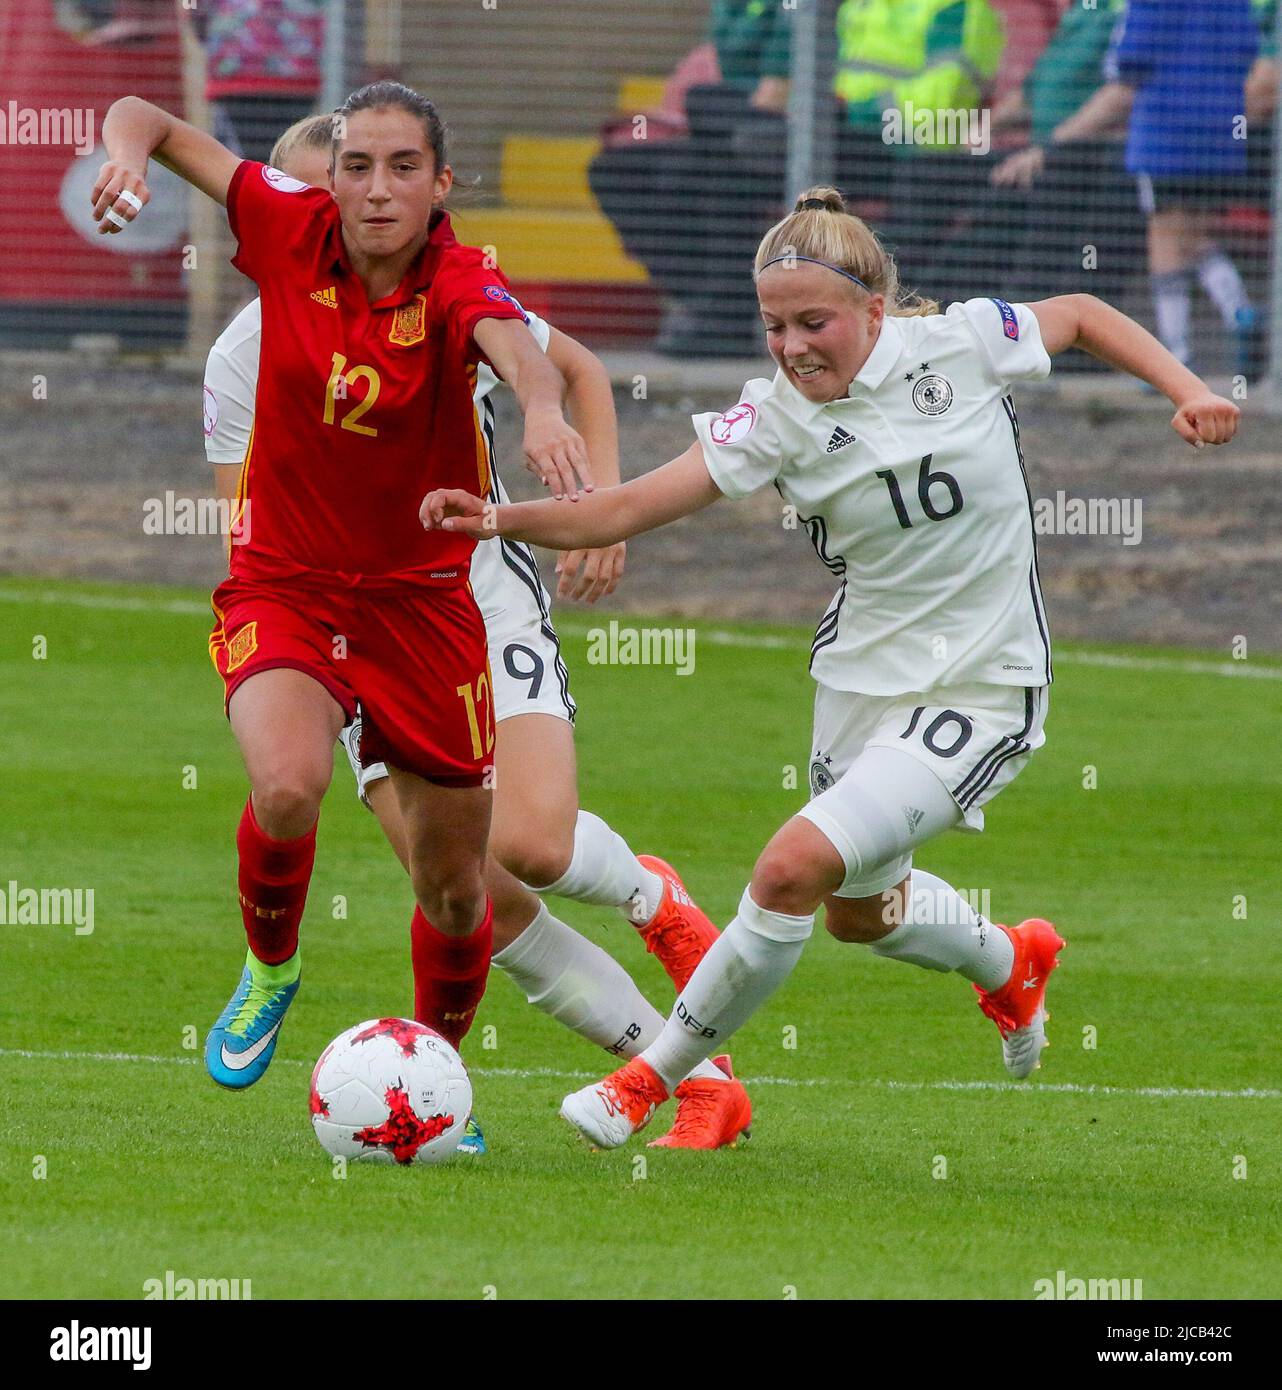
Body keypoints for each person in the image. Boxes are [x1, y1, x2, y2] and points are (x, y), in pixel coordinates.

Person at [421, 188, 1240, 1149]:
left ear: (876, 312)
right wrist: (499, 519)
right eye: (774, 327)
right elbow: (627, 507)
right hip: (858, 690)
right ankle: (1009, 960)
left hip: (981, 690)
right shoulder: (770, 418)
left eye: (815, 322)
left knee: (787, 870)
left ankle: (648, 1081)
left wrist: (1188, 389)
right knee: (862, 916)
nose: (794, 346)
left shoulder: (965, 344)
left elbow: (1086, 315)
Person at [202, 112, 753, 1151]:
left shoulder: (446, 281)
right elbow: (245, 512)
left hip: (469, 592)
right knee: (467, 895)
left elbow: (575, 370)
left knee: (533, 847)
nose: (353, 208)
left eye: (372, 180)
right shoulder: (243, 354)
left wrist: (592, 497)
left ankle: (646, 891)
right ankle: (689, 1075)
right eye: (323, 191)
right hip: (332, 613)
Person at [93, 81, 598, 1104]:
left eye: (401, 168)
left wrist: (544, 413)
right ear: (327, 180)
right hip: (288, 586)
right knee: (285, 784)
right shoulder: (287, 226)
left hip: (421, 609)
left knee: (456, 893)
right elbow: (146, 112)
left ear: (441, 184)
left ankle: (432, 1076)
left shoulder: (458, 281)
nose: (374, 190)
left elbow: (522, 356)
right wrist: (125, 160)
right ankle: (272, 966)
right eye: (356, 167)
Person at [588, 0, 792, 356]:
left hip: (803, 141)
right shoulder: (732, 12)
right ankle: (702, 298)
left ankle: (723, 313)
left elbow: (775, 96)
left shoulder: (798, 12)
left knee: (713, 155)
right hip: (728, 135)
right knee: (616, 170)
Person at [1107, 0, 1265, 380]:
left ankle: (1174, 357)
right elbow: (1247, 49)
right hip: (1219, 130)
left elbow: (1130, 58)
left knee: (1164, 239)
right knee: (1193, 235)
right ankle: (1239, 309)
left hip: (1164, 131)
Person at [194, 0, 325, 163]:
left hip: (238, 70)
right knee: (287, 166)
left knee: (239, 169)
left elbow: (194, 9)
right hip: (294, 71)